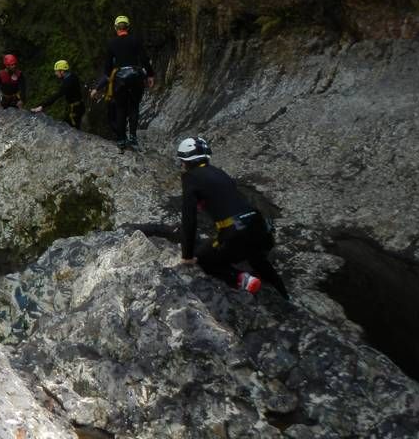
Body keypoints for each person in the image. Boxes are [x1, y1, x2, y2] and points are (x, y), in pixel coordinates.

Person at [177, 136, 289, 299]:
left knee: (203, 259)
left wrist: (187, 256)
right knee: (258, 258)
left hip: (235, 232)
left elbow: (189, 219)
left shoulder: (190, 178)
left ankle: (242, 279)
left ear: (187, 161)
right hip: (260, 226)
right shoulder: (219, 172)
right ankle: (284, 295)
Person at [89, 15, 156, 150]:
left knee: (120, 108)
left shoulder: (112, 43)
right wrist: (150, 75)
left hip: (120, 80)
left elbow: (108, 67)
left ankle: (121, 140)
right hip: (136, 76)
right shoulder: (135, 40)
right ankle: (133, 137)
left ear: (116, 28)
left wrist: (107, 79)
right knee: (134, 107)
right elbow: (144, 59)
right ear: (128, 27)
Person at [31, 60, 85, 128]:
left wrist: (41, 106)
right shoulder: (72, 76)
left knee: (72, 127)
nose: (55, 73)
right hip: (78, 107)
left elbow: (57, 95)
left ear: (62, 71)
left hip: (75, 110)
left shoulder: (68, 83)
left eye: (56, 71)